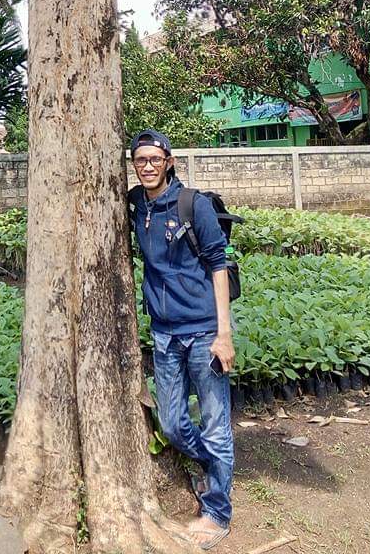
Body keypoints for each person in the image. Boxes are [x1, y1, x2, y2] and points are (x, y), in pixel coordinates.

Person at [129, 129, 235, 551]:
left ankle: (217, 511)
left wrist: (223, 334)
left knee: (215, 423)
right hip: (164, 333)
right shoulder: (136, 204)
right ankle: (212, 465)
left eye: (156, 158)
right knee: (172, 424)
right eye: (141, 160)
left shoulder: (194, 205)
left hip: (204, 331)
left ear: (169, 161)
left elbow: (218, 265)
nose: (149, 165)